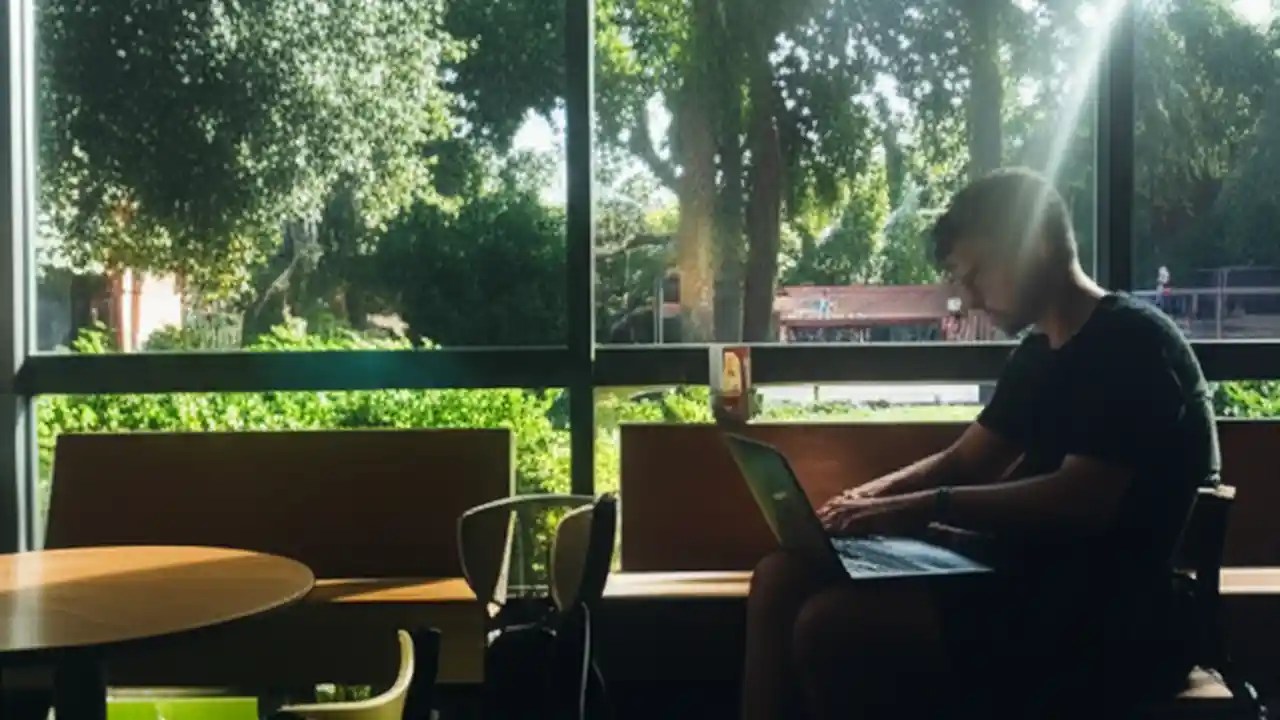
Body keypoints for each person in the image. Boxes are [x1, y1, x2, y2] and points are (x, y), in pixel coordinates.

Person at [742, 168, 1218, 720]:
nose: (967, 297)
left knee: (827, 626)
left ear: (1036, 242)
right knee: (780, 577)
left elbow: (1082, 499)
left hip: (1109, 614)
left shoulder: (1130, 344)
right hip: (1032, 582)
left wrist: (916, 510)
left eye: (977, 274)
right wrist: (858, 506)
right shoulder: (1041, 352)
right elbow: (966, 459)